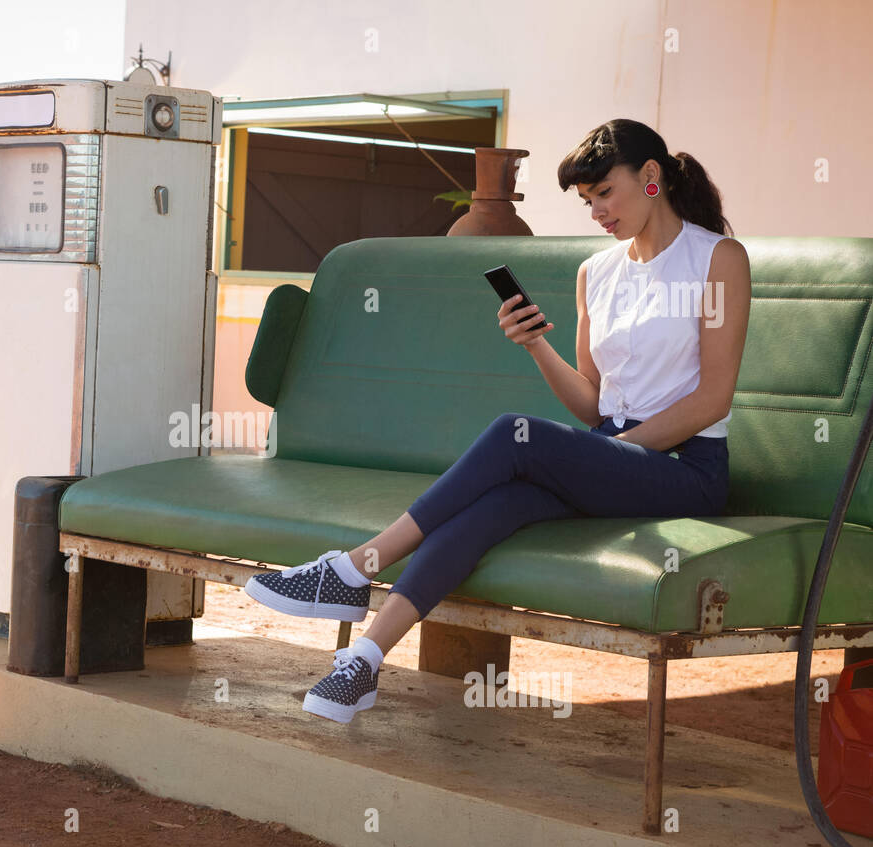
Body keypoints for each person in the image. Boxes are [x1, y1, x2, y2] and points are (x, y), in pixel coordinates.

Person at [244, 118, 752, 724]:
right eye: (587, 202)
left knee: (518, 432)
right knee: (493, 507)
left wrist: (614, 456)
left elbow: (713, 399)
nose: (597, 213)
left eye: (605, 195)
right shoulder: (598, 272)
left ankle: (357, 567)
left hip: (684, 470)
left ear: (650, 177)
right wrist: (537, 347)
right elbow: (594, 405)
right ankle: (365, 660)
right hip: (614, 457)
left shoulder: (718, 259)